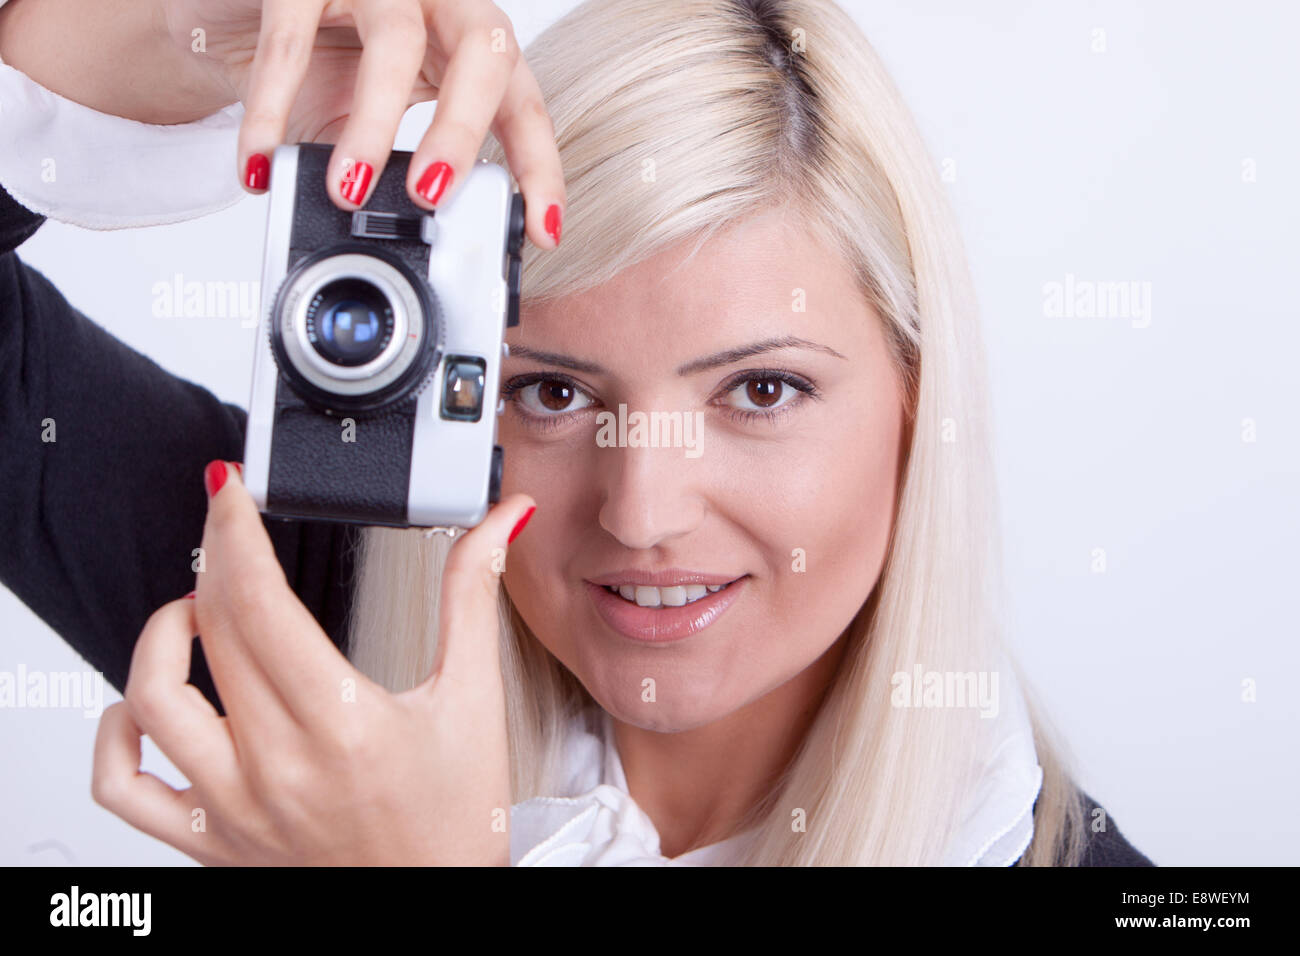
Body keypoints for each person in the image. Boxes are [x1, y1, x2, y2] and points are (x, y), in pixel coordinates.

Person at [0, 0, 1154, 866]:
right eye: (552, 392)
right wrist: (91, 50)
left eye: (759, 391)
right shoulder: (301, 625)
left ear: (917, 402)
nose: (642, 513)